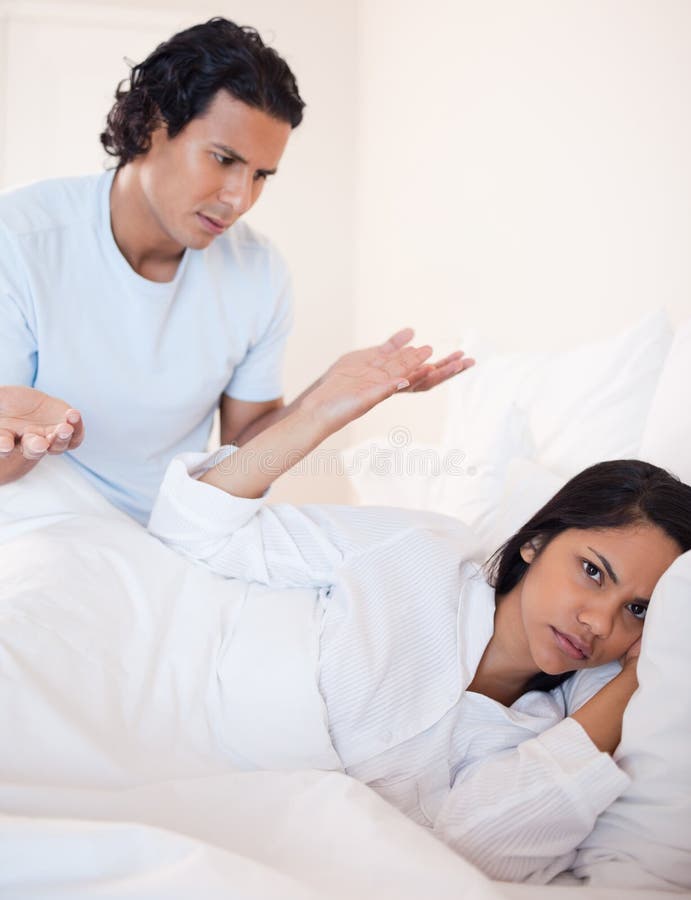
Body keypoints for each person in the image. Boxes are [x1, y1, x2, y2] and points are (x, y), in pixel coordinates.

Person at [148, 339, 691, 883]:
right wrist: (318, 415)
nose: (600, 623)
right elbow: (194, 525)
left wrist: (636, 678)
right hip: (180, 763)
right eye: (592, 571)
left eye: (638, 610)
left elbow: (471, 858)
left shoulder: (546, 732)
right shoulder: (420, 551)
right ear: (536, 541)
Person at [0, 17, 470, 523]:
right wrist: (21, 449)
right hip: (39, 529)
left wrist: (325, 401)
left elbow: (243, 460)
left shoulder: (258, 271)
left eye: (261, 175)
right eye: (224, 159)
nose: (240, 199)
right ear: (152, 126)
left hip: (175, 532)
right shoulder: (21, 241)